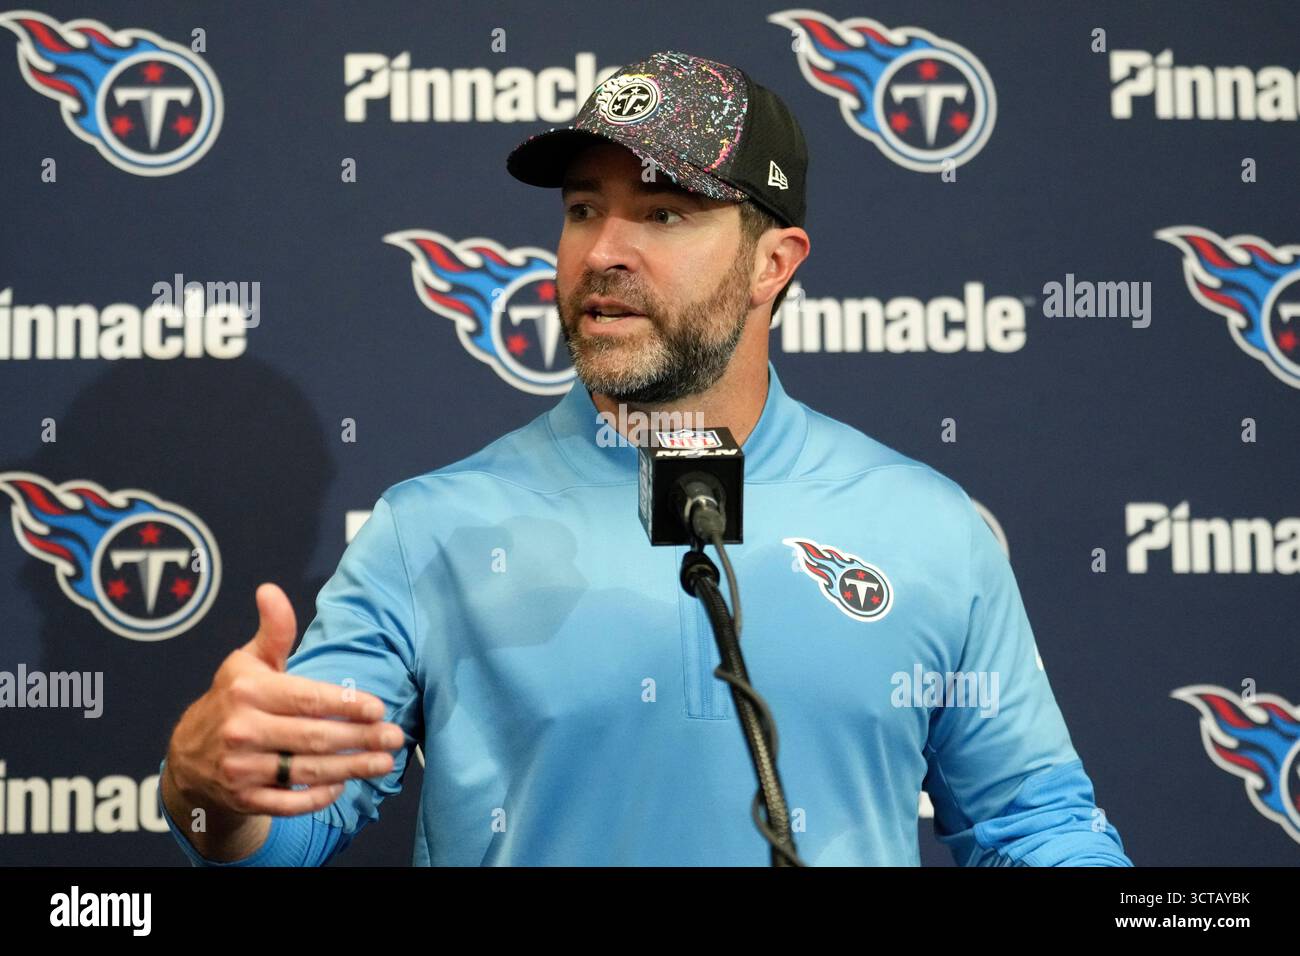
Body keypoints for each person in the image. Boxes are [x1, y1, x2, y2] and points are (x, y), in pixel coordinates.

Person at [159, 50, 1131, 866]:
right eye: (584, 210)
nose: (603, 251)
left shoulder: (929, 527)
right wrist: (206, 787)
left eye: (662, 214)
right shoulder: (432, 528)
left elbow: (1031, 823)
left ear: (772, 262)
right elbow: (277, 830)